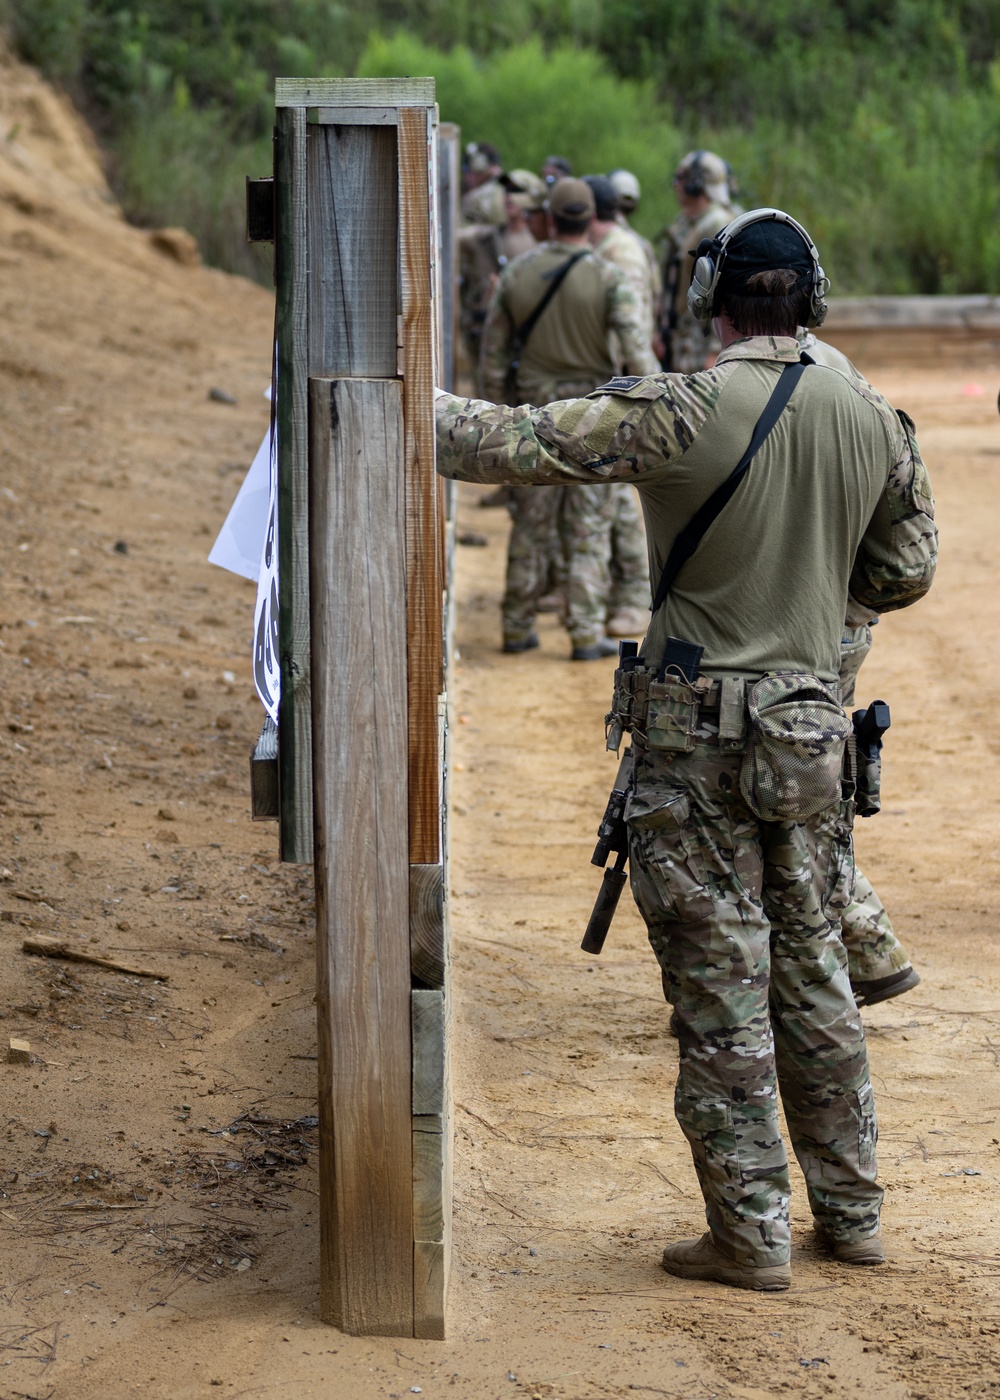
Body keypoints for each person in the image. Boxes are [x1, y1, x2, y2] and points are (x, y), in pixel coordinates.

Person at [436, 208, 937, 1290]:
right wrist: (806, 607)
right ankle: (851, 1214)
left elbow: (501, 444)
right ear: (814, 300)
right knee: (814, 979)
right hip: (811, 747)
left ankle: (749, 1233)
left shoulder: (685, 409)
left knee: (722, 995)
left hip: (694, 752)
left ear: (711, 300)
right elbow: (903, 574)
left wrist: (381, 399)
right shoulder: (874, 418)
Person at [478, 178, 659, 659]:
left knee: (531, 523)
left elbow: (492, 358)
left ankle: (516, 625)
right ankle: (583, 632)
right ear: (590, 218)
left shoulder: (517, 274)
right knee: (589, 526)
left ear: (551, 218)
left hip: (533, 415)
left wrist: (500, 411)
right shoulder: (609, 277)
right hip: (595, 417)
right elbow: (639, 355)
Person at [659, 150, 737, 372]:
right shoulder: (688, 222)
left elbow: (725, 287)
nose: (676, 184)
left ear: (696, 183)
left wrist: (715, 349)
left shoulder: (717, 223)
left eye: (681, 178)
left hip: (701, 338)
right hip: (684, 337)